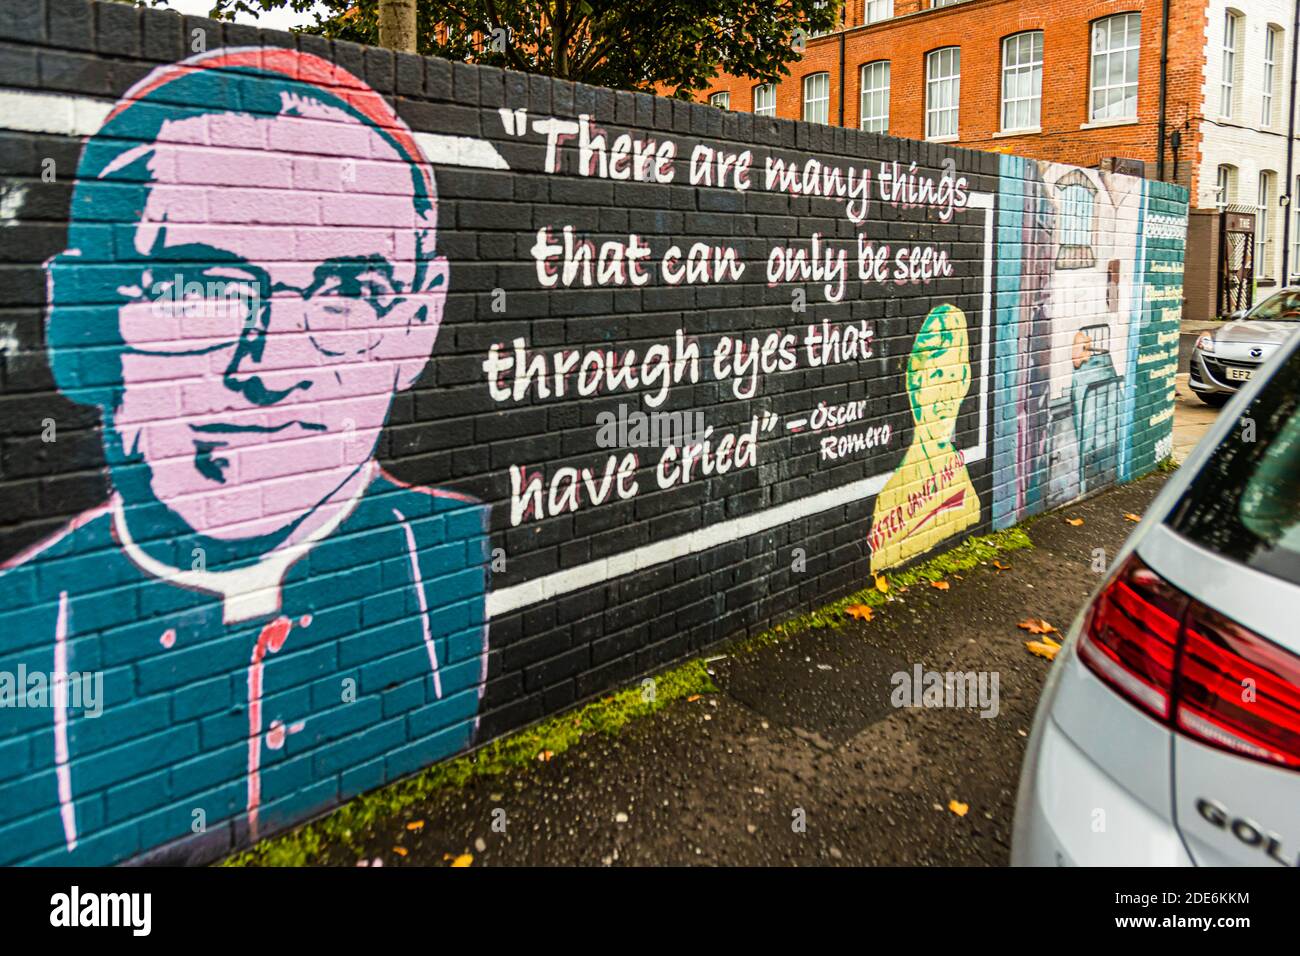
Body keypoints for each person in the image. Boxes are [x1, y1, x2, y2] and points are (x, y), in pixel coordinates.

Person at [0, 49, 489, 865]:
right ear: (74, 324)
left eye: (349, 292)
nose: (268, 367)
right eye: (198, 287)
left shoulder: (467, 555)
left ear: (418, 324)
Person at [868, 303, 981, 571]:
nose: (946, 394)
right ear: (915, 384)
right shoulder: (889, 504)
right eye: (938, 375)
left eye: (954, 376)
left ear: (965, 381)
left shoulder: (958, 473)